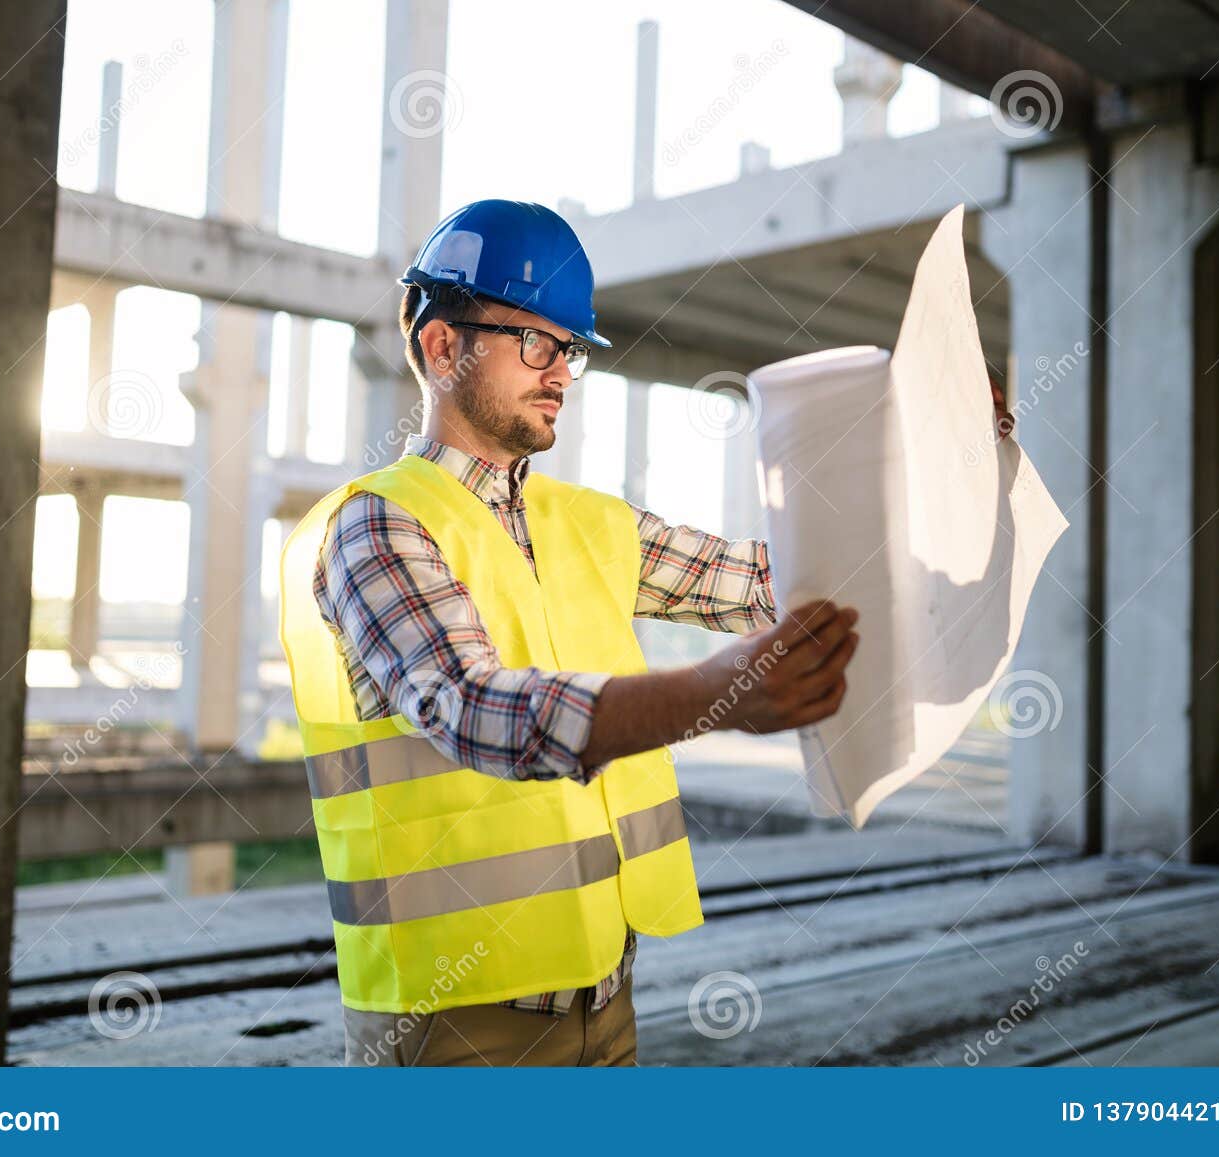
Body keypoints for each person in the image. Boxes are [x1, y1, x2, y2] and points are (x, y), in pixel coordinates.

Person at [278, 199, 1013, 1068]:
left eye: (571, 349)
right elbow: (469, 707)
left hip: (608, 989)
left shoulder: (590, 523)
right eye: (536, 341)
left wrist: (931, 465)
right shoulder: (378, 526)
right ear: (443, 345)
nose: (561, 371)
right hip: (455, 1021)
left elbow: (779, 580)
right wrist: (713, 696)